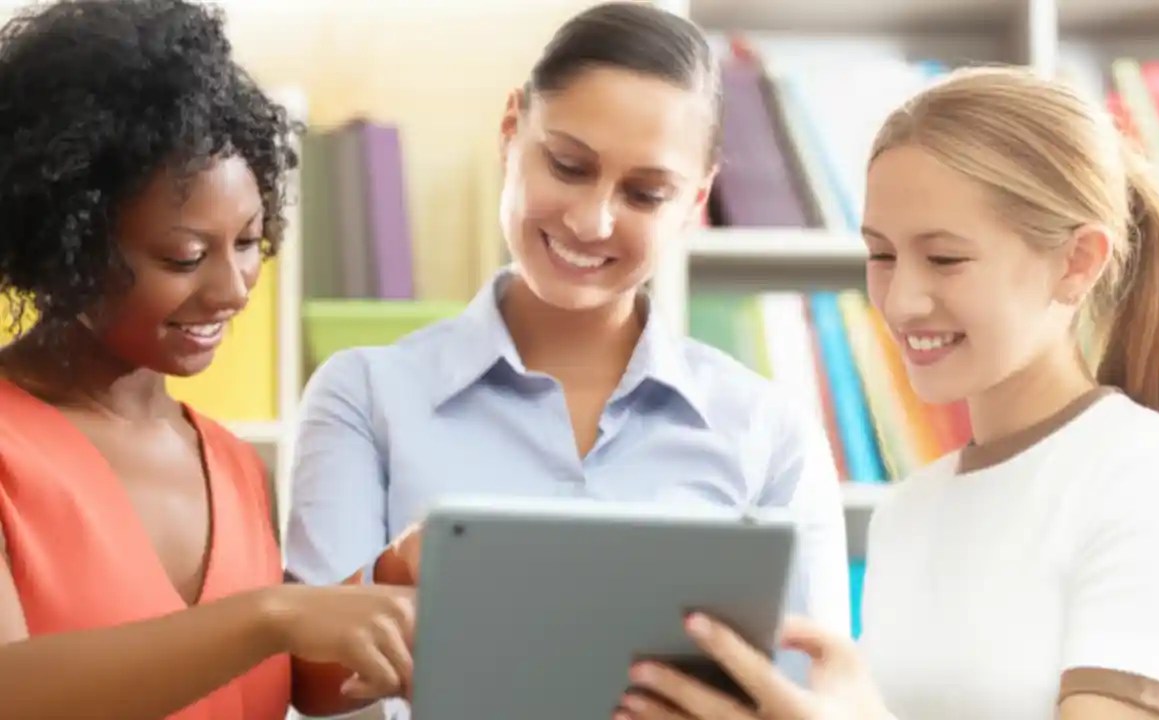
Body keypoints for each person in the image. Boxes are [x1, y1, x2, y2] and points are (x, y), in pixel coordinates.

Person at [617, 67, 1159, 719]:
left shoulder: (1155, 479)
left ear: (1078, 262)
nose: (900, 301)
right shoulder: (908, 514)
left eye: (946, 259)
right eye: (882, 256)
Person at [284, 1, 850, 714]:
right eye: (569, 165)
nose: (592, 220)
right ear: (511, 130)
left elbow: (819, 696)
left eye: (646, 193)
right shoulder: (365, 395)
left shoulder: (772, 432)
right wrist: (401, 568)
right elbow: (305, 689)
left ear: (694, 201)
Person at [0, 1, 420, 718]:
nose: (231, 289)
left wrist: (390, 586)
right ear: (66, 242)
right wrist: (273, 614)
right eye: (185, 256)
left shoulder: (233, 465)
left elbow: (272, 681)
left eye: (250, 242)